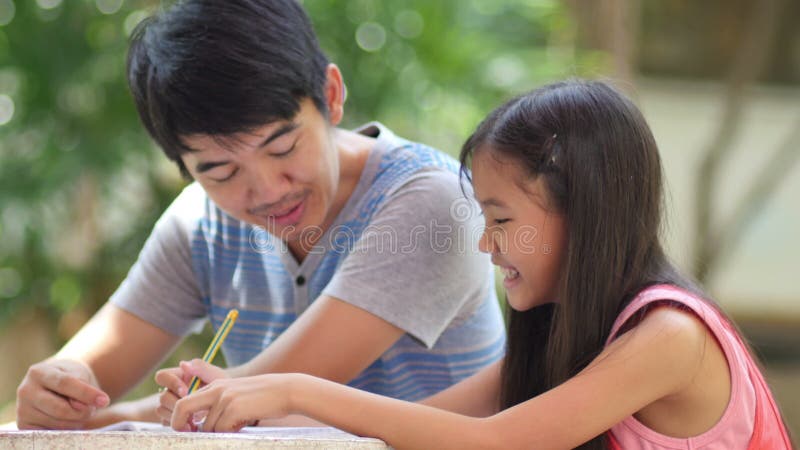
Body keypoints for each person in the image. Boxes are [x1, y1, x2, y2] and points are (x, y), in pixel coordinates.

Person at [168, 80, 794, 449]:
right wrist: (244, 406)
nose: (484, 246)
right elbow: (417, 426)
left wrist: (290, 388)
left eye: (500, 220)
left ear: (584, 215)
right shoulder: (564, 337)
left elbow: (494, 443)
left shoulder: (670, 337)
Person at [14, 0, 505, 430]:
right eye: (222, 172)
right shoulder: (200, 224)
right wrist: (62, 388)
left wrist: (120, 418)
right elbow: (89, 369)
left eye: (282, 146)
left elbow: (263, 397)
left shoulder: (433, 204)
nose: (268, 191)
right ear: (183, 167)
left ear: (331, 96)